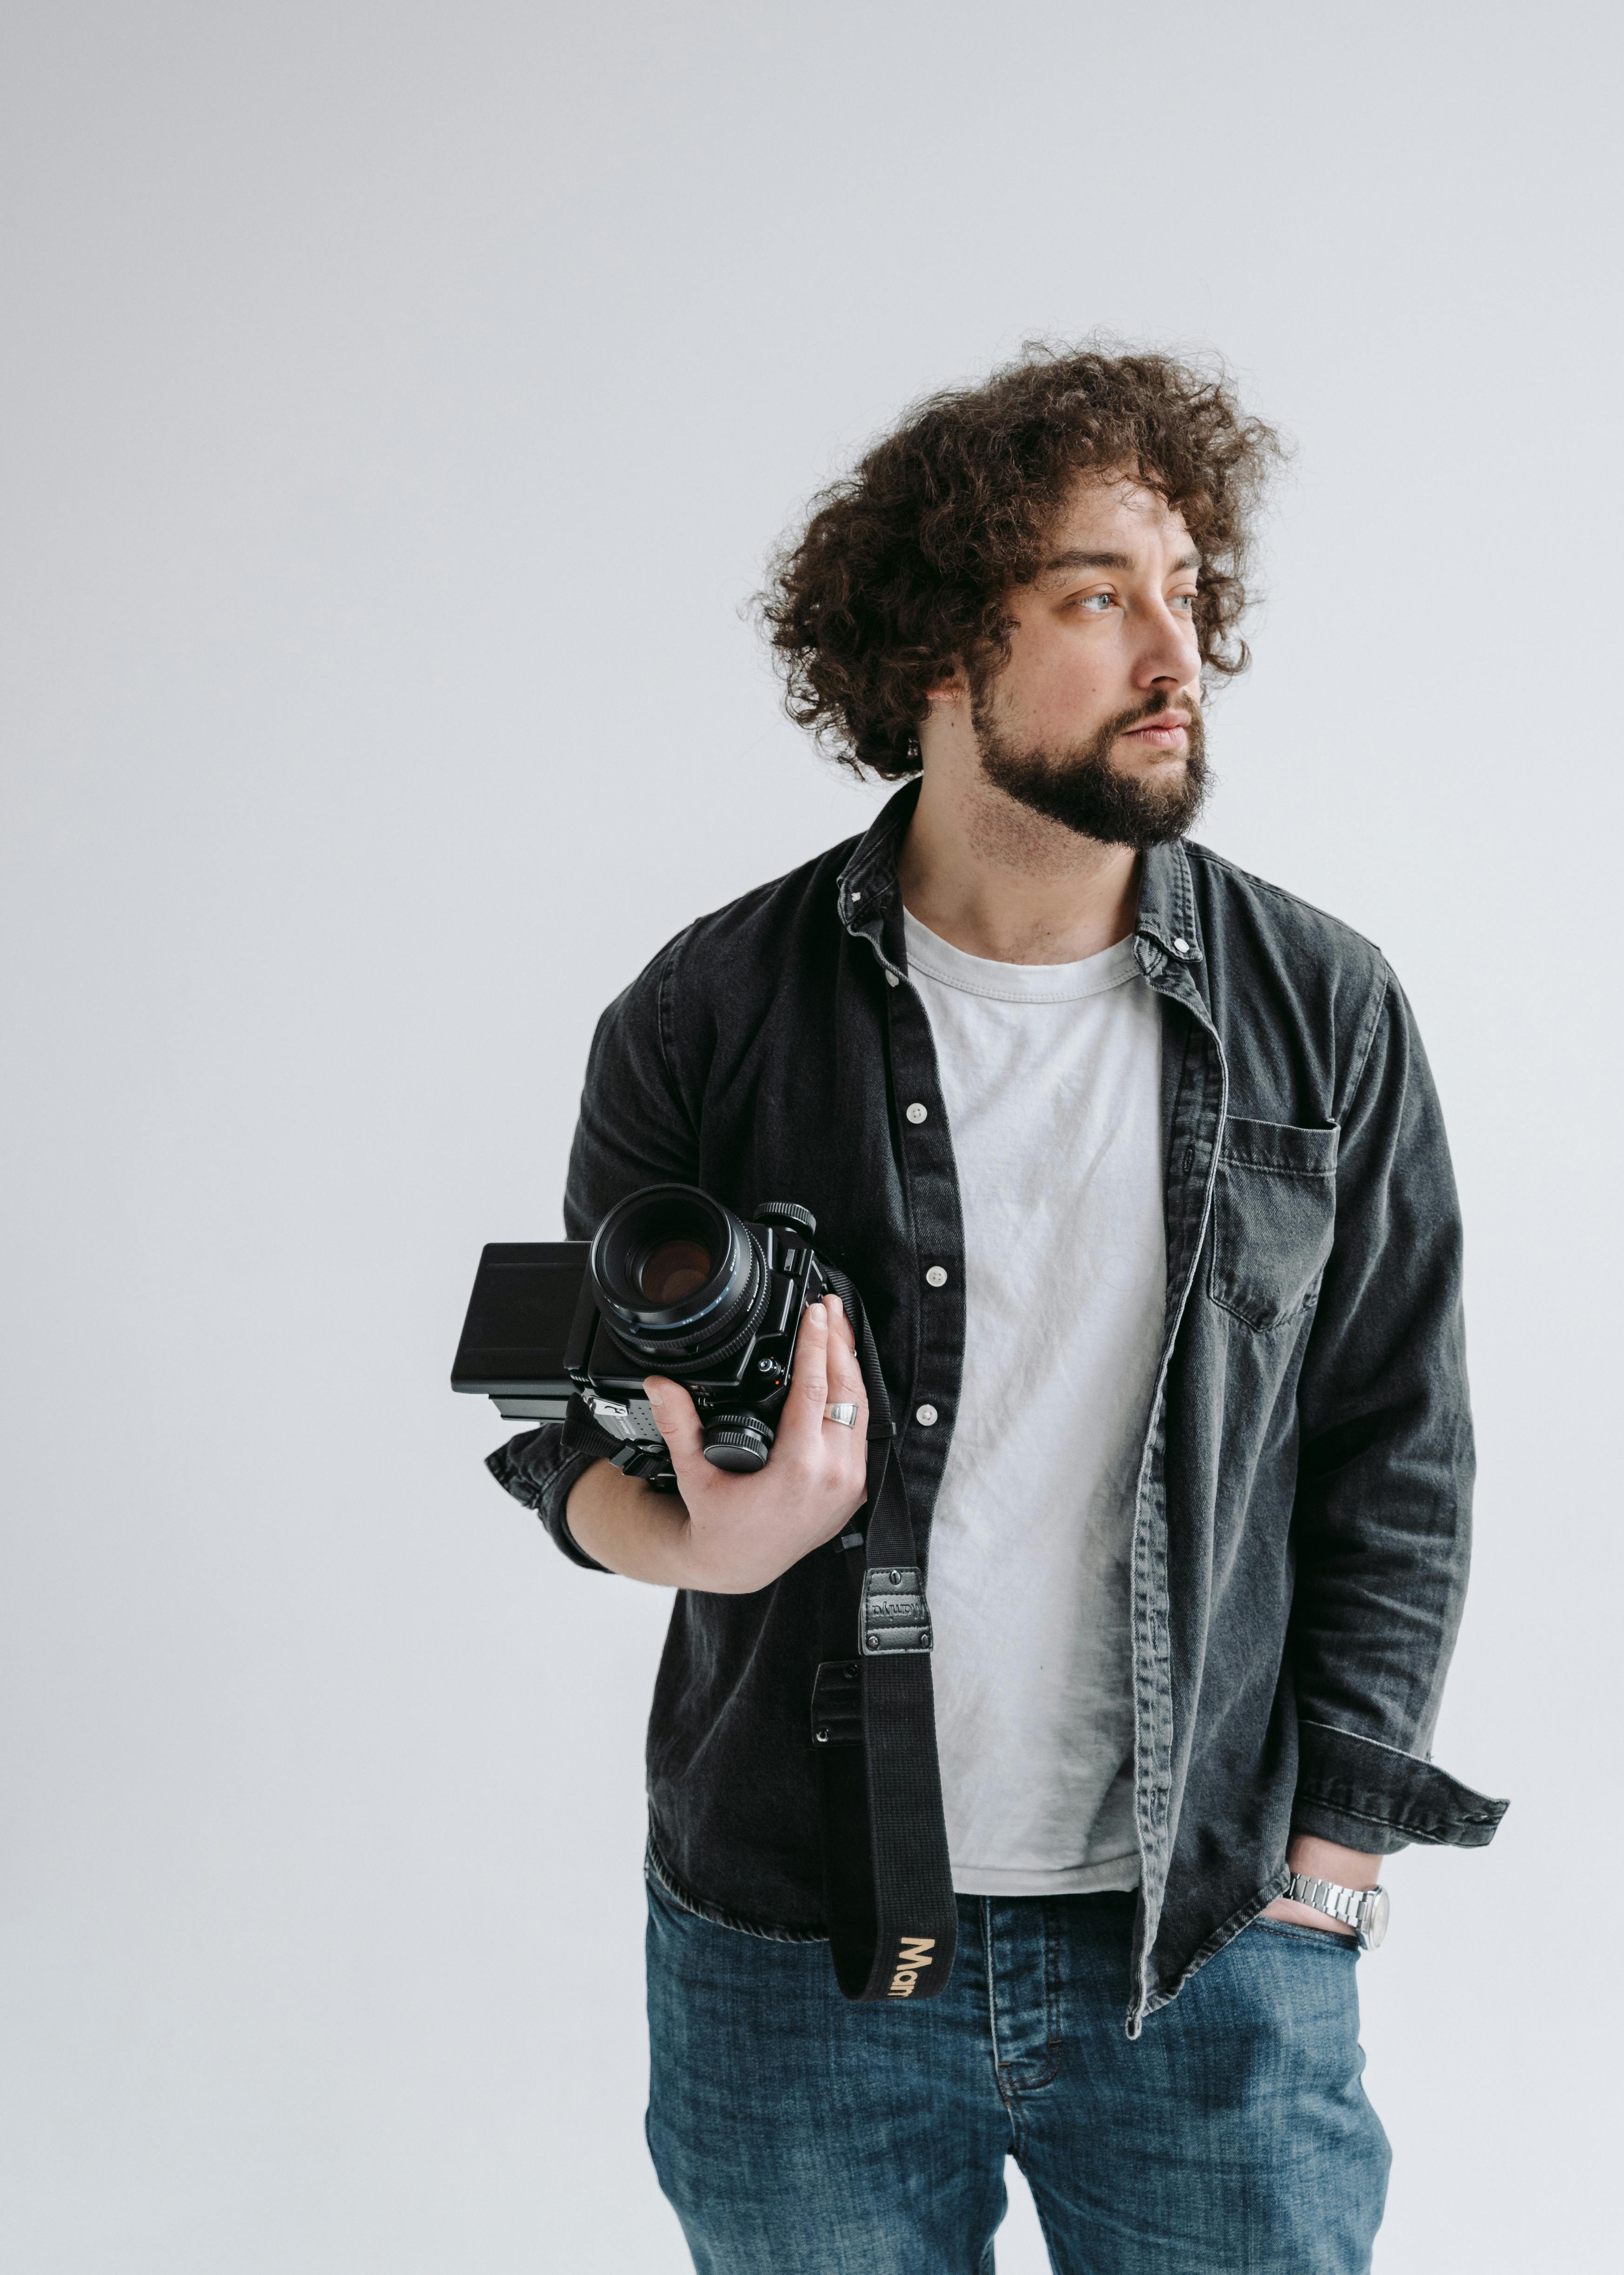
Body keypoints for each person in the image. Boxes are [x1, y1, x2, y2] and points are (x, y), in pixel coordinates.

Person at [490, 347, 1505, 2275]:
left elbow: (1398, 1455)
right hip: (795, 1948)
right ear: (941, 646)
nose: (1173, 651)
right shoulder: (705, 1014)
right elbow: (569, 1427)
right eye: (1099, 595)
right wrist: (705, 1541)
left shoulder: (1327, 1010)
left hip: (1206, 1949)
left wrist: (1332, 1876)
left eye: (1189, 592)